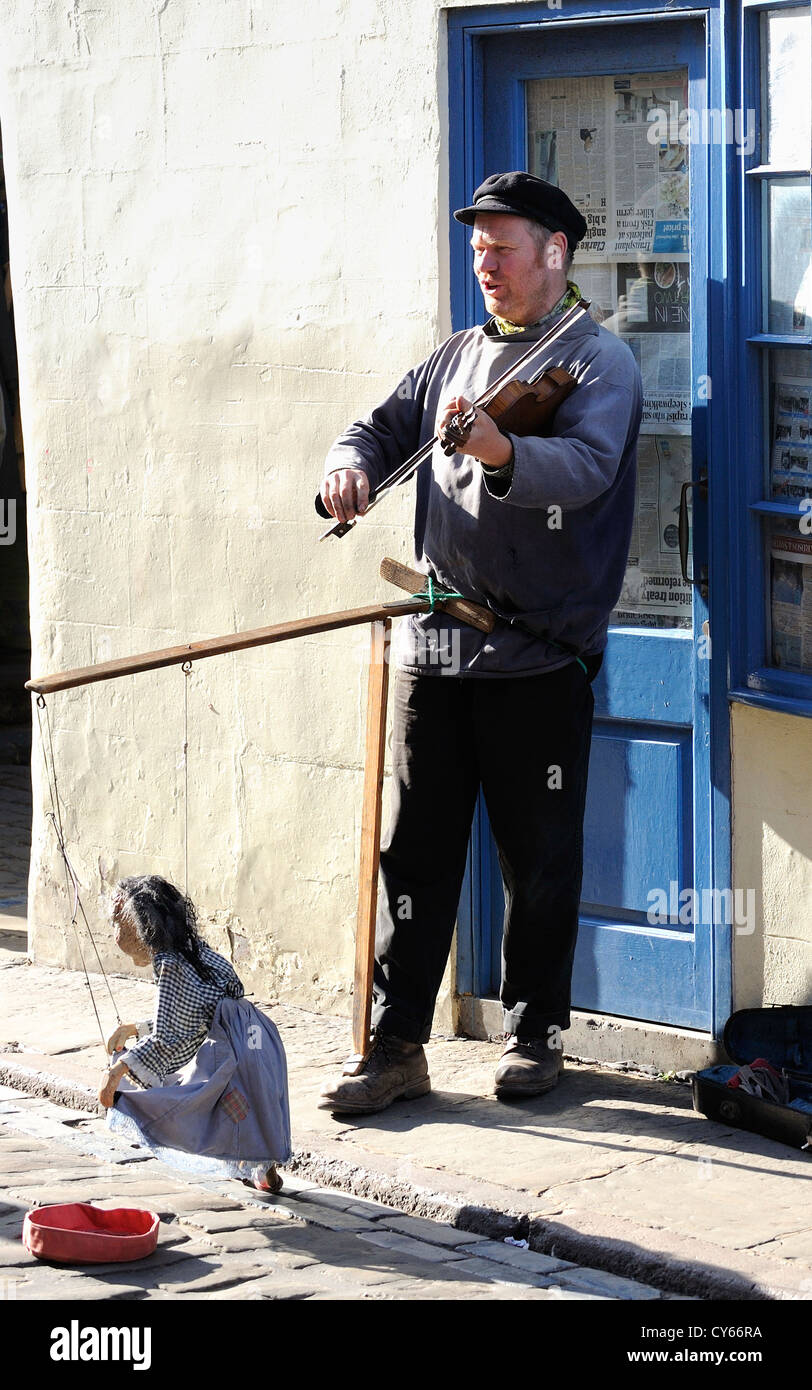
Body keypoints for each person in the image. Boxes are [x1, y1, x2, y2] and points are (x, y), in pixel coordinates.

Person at [317, 171, 643, 1113]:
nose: (488, 267)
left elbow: (584, 468)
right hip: (436, 645)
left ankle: (536, 1034)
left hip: (538, 654)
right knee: (414, 853)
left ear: (556, 252)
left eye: (504, 251)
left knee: (537, 854)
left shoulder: (596, 363)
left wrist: (503, 453)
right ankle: (396, 1044)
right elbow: (380, 429)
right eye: (478, 253)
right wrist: (350, 468)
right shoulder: (457, 355)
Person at [98, 875, 291, 1193]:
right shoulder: (194, 950)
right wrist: (136, 1029)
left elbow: (171, 1036)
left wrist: (117, 1070)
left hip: (232, 1047)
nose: (115, 932)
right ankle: (262, 1167)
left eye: (117, 921)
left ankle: (253, 1164)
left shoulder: (171, 965)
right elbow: (192, 1011)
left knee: (205, 1108)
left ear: (138, 925)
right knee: (252, 1106)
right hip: (258, 1036)